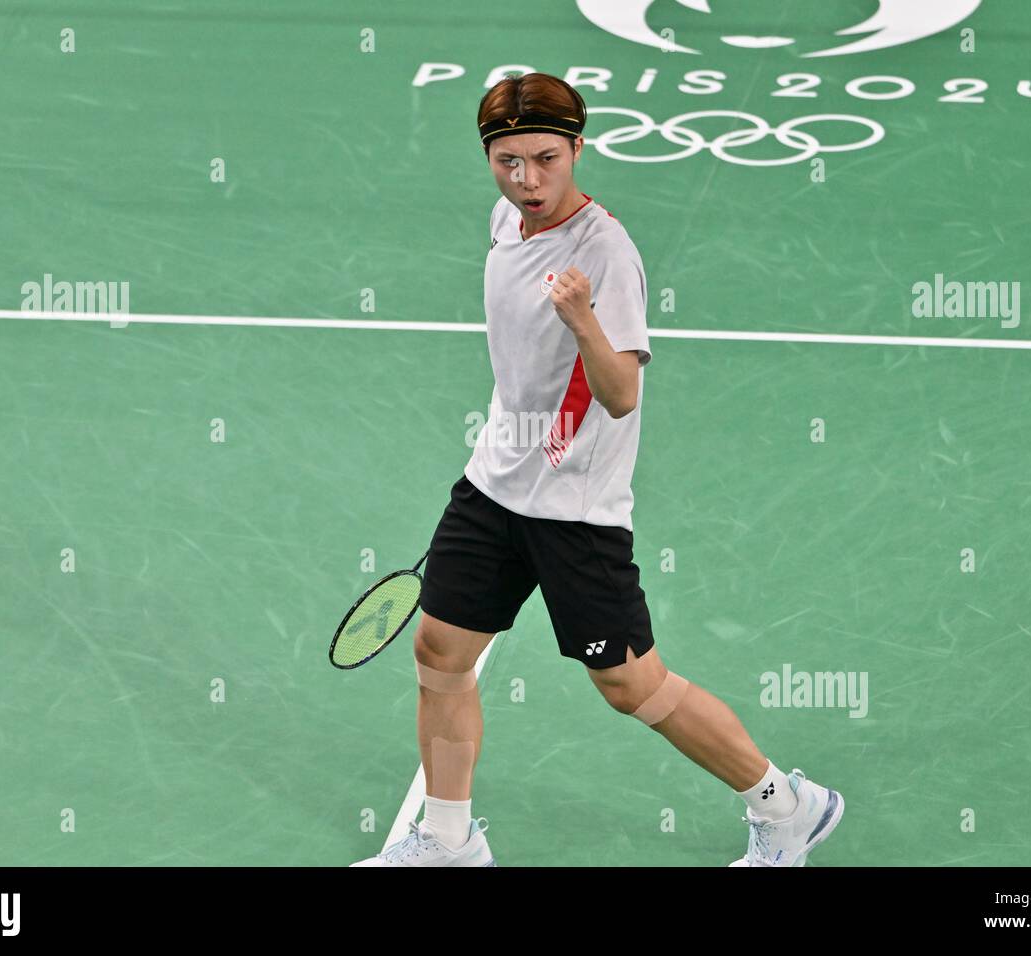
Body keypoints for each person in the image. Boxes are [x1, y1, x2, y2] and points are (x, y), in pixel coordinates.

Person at [352, 72, 842, 867]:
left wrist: (582, 318)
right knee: (440, 653)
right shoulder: (507, 224)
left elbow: (619, 394)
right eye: (507, 161)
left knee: (632, 687)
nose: (528, 180)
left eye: (545, 158)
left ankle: (787, 806)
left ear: (578, 148)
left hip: (575, 508)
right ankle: (447, 840)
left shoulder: (605, 254)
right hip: (493, 486)